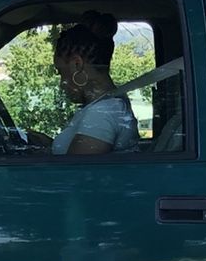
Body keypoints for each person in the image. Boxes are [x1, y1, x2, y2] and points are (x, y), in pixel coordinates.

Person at [48, 12, 139, 156]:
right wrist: (48, 144)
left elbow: (74, 174)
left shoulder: (102, 113)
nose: (62, 84)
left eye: (61, 72)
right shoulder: (112, 104)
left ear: (77, 64)